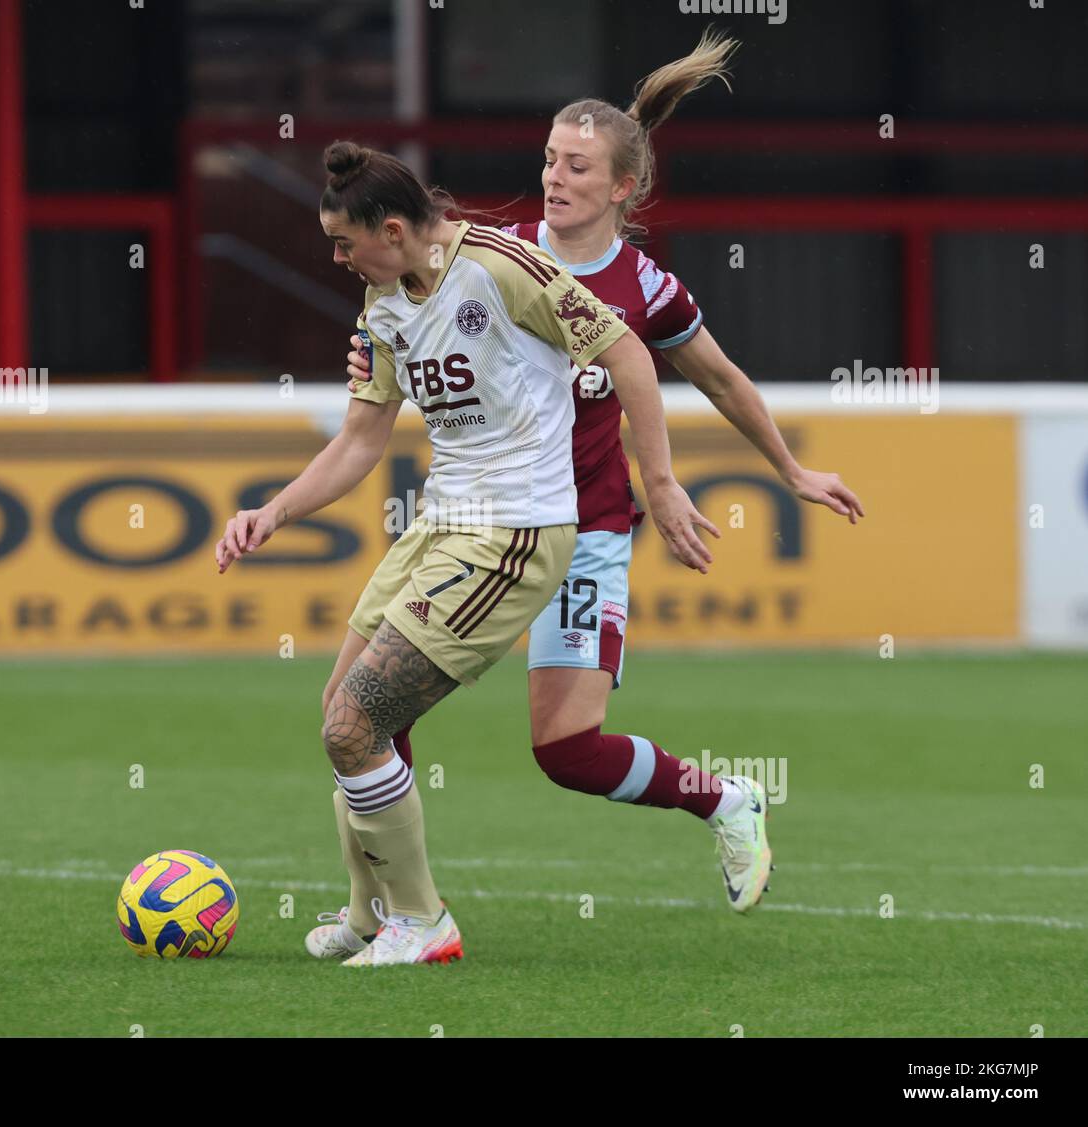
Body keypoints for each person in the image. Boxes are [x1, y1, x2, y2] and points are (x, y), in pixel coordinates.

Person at [311, 30, 866, 957]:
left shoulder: (644, 287)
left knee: (565, 751)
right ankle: (383, 912)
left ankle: (725, 797)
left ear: (622, 188)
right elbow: (407, 312)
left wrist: (789, 471)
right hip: (480, 524)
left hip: (587, 529)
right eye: (548, 160)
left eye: (577, 166)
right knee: (373, 707)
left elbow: (721, 381)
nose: (554, 177)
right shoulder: (495, 256)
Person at [217, 139, 715, 966]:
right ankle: (372, 913)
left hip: (517, 533)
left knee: (355, 724)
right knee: (343, 711)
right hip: (441, 527)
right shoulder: (382, 303)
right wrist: (275, 511)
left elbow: (626, 351)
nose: (337, 258)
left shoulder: (498, 265)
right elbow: (360, 438)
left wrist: (658, 483)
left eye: (345, 242)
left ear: (395, 226)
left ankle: (424, 922)